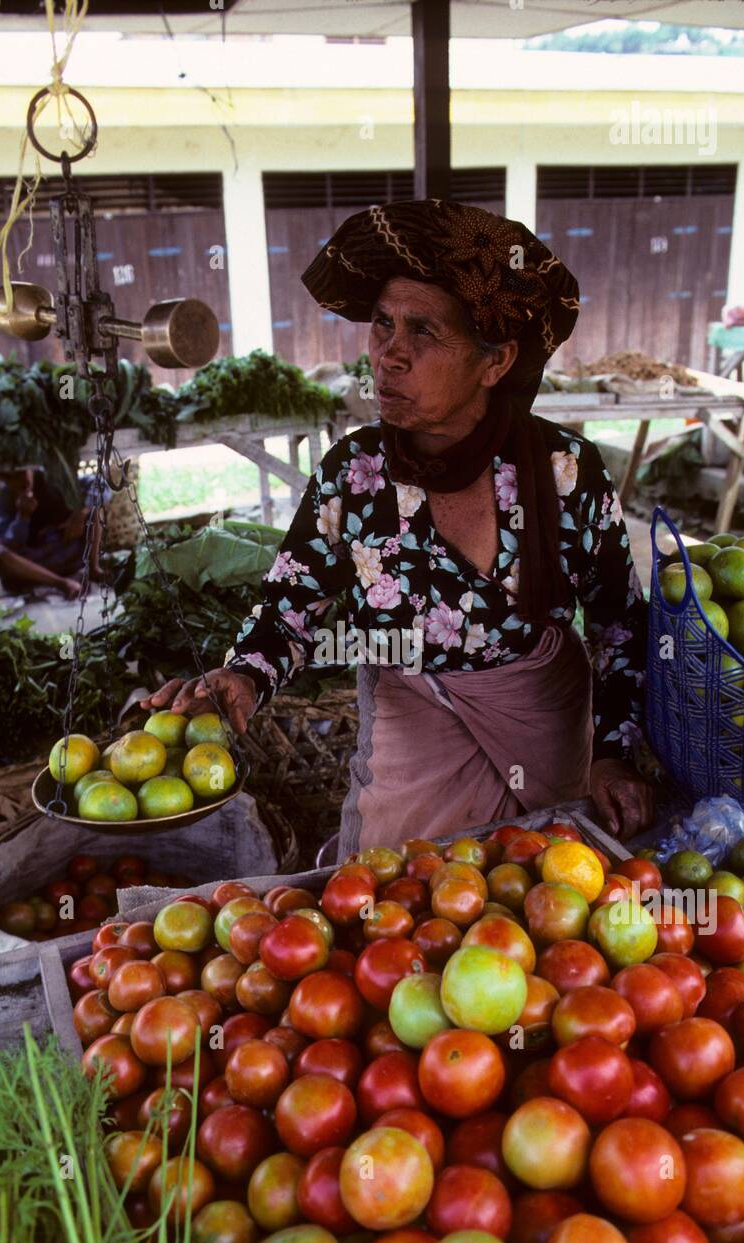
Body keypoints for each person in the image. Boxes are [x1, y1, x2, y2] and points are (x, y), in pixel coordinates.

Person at [142, 200, 654, 850]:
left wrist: (613, 752)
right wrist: (243, 675)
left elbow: (617, 623)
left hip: (547, 745)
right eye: (382, 325)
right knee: (396, 914)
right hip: (411, 757)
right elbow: (289, 611)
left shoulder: (563, 472)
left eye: (423, 332)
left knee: (543, 913)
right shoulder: (354, 476)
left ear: (494, 362)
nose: (387, 355)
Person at [0, 467, 107, 599]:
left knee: (94, 511)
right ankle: (62, 584)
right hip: (33, 566)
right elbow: (11, 544)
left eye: (22, 473)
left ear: (30, 469)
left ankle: (94, 569)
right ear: (3, 479)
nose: (21, 480)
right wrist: (23, 516)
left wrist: (82, 513)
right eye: (12, 477)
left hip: (68, 548)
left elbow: (100, 484)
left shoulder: (50, 477)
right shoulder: (0, 498)